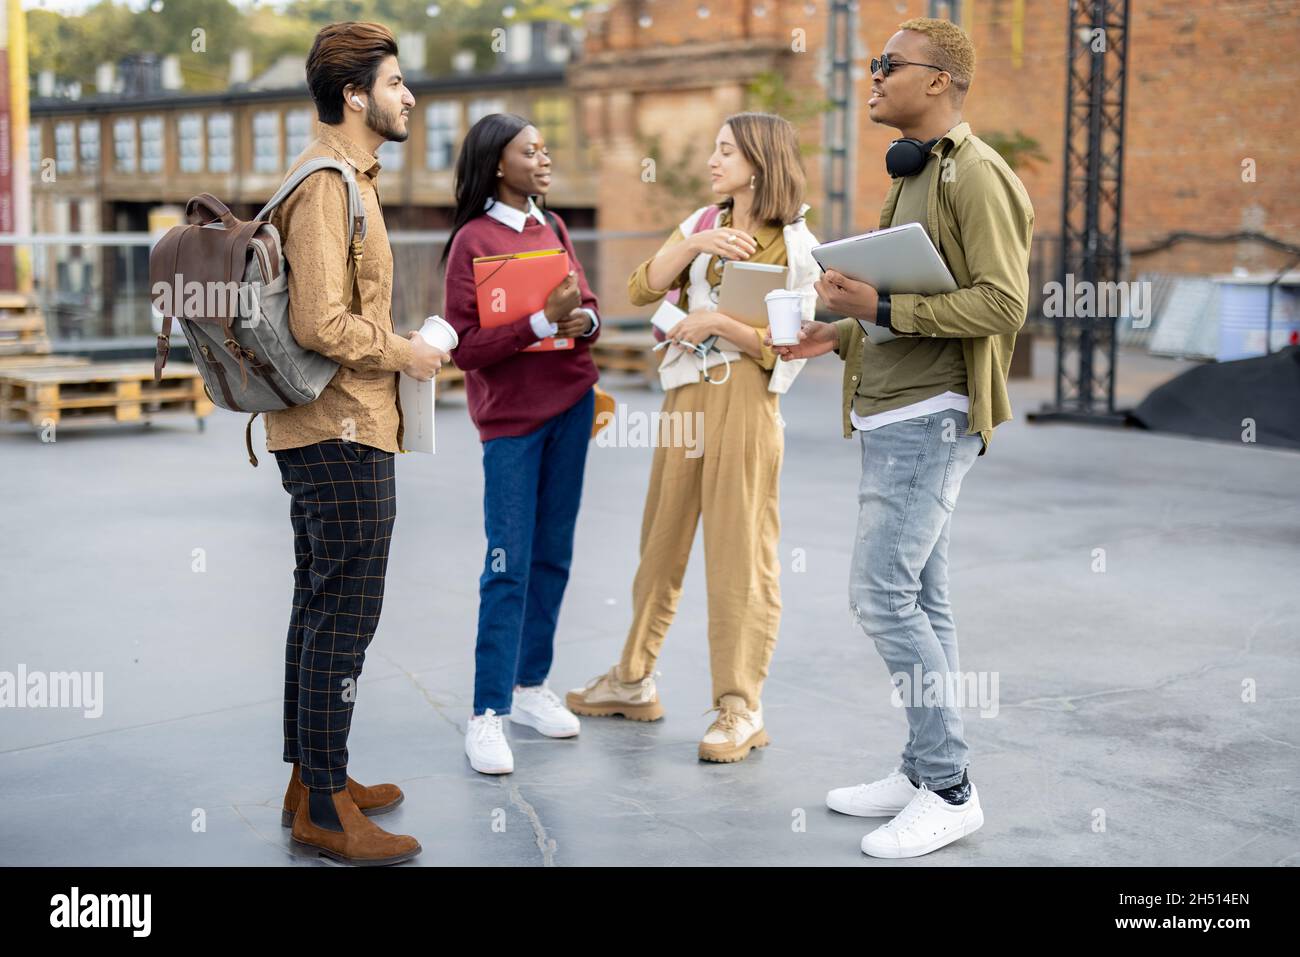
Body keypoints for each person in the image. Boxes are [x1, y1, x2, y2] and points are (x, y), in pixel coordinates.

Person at [773, 18, 1034, 857]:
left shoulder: (977, 175)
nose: (872, 76)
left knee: (880, 594)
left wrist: (877, 309)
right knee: (923, 597)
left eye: (888, 65)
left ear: (940, 81)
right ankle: (926, 767)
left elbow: (1002, 305)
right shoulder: (912, 175)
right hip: (893, 407)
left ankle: (952, 786)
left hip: (931, 412)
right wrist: (840, 331)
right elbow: (908, 300)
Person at [567, 112, 819, 763]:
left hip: (746, 398)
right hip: (685, 395)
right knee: (660, 540)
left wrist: (719, 322)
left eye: (727, 151)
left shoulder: (795, 247)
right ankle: (631, 678)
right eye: (714, 148)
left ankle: (740, 707)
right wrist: (692, 250)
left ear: (761, 161)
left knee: (739, 553)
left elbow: (795, 346)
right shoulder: (703, 224)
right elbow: (637, 287)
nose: (713, 160)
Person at [267, 22, 445, 865]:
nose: (409, 97)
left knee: (320, 605)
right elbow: (317, 323)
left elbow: (343, 315)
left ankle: (314, 780)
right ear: (355, 95)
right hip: (340, 428)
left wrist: (396, 342)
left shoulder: (351, 180)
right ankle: (329, 813)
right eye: (398, 82)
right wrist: (406, 351)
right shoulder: (328, 184)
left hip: (344, 423)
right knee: (345, 615)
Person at [441, 114, 602, 775]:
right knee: (507, 560)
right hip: (510, 419)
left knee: (553, 554)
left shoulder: (553, 227)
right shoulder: (471, 241)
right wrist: (539, 319)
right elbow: (464, 349)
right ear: (496, 164)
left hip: (572, 401)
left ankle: (531, 686)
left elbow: (588, 308)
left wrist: (580, 317)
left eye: (545, 146)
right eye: (529, 150)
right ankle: (486, 713)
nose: (544, 158)